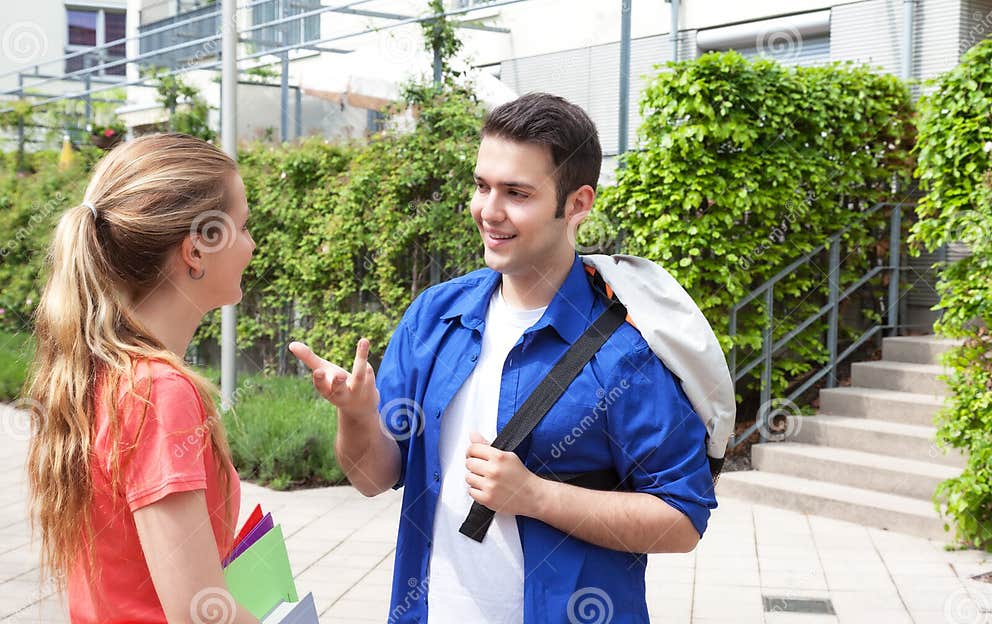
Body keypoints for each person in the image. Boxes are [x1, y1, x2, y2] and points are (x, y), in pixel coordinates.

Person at [290, 93, 717, 623]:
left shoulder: (625, 349)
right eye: (481, 185)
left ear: (578, 204)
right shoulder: (435, 316)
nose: (489, 211)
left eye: (517, 193)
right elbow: (373, 478)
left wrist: (535, 496)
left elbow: (681, 519)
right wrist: (354, 417)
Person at [24, 133, 259, 623]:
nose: (252, 247)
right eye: (242, 227)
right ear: (197, 249)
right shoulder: (158, 392)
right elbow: (200, 611)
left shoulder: (95, 372)